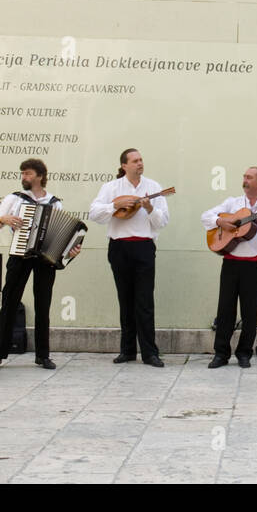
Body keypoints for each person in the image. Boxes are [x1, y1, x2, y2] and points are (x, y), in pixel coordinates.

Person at [0, 158, 77, 371]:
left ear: (40, 176)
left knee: (43, 304)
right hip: (19, 255)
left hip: (44, 259)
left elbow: (60, 236)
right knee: (9, 302)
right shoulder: (14, 199)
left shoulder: (54, 202)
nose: (23, 178)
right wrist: (4, 220)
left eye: (27, 173)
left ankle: (43, 356)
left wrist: (70, 250)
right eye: (23, 174)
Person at [89, 148, 172, 367]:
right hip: (119, 248)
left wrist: (150, 208)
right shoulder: (111, 188)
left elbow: (162, 221)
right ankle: (127, 350)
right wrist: (114, 206)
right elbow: (94, 213)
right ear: (124, 165)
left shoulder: (153, 187)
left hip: (144, 247)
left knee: (144, 301)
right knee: (125, 300)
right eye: (135, 161)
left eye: (141, 160)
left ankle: (149, 353)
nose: (140, 164)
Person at [201, 166, 257, 369]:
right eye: (244, 177)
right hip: (230, 262)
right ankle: (220, 354)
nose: (245, 180)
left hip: (254, 265)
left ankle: (244, 353)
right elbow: (205, 216)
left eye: (249, 177)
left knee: (250, 311)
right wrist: (221, 221)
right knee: (225, 309)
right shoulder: (233, 203)